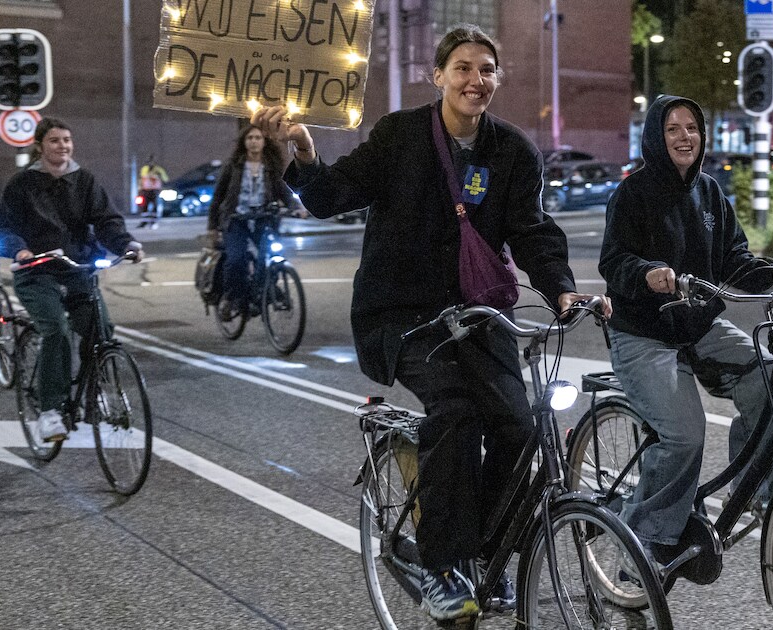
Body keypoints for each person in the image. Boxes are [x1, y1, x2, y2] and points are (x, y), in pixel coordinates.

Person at [253, 24, 610, 622]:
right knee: (455, 410)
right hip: (402, 316)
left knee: (521, 428)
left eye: (487, 69)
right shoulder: (399, 136)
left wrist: (564, 293)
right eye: (464, 68)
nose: (477, 80)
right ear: (438, 75)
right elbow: (334, 194)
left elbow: (532, 233)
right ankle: (442, 565)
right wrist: (307, 158)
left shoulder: (514, 151)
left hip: (480, 315)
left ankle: (488, 558)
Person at [598, 95, 773, 570]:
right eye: (673, 129)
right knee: (685, 435)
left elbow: (735, 260)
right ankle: (643, 540)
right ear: (654, 137)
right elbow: (613, 260)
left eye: (692, 127)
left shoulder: (710, 194)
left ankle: (761, 492)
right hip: (643, 332)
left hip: (698, 324)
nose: (685, 137)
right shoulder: (633, 194)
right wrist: (647, 273)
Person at [0, 117, 144, 443]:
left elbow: (106, 221)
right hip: (36, 272)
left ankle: (93, 397)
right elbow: (2, 230)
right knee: (56, 330)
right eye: (55, 141)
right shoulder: (22, 184)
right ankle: (50, 410)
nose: (63, 146)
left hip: (77, 269)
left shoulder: (84, 181)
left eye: (67, 140)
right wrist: (19, 251)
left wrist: (126, 245)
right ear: (40, 146)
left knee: (101, 329)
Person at [205, 124, 303, 321]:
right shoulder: (233, 165)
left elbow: (283, 190)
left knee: (273, 255)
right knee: (236, 260)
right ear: (244, 142)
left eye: (258, 138)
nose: (254, 141)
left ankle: (264, 291)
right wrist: (213, 227)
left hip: (264, 219)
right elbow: (218, 197)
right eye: (250, 138)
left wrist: (296, 207)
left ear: (264, 142)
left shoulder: (271, 167)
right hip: (236, 220)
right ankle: (232, 298)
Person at [135, 155, 169, 227]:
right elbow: (141, 179)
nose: (151, 163)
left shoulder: (158, 170)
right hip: (145, 190)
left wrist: (159, 175)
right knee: (144, 206)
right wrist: (140, 189)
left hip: (154, 191)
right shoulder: (144, 169)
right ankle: (144, 222)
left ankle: (153, 222)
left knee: (155, 206)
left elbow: (165, 179)